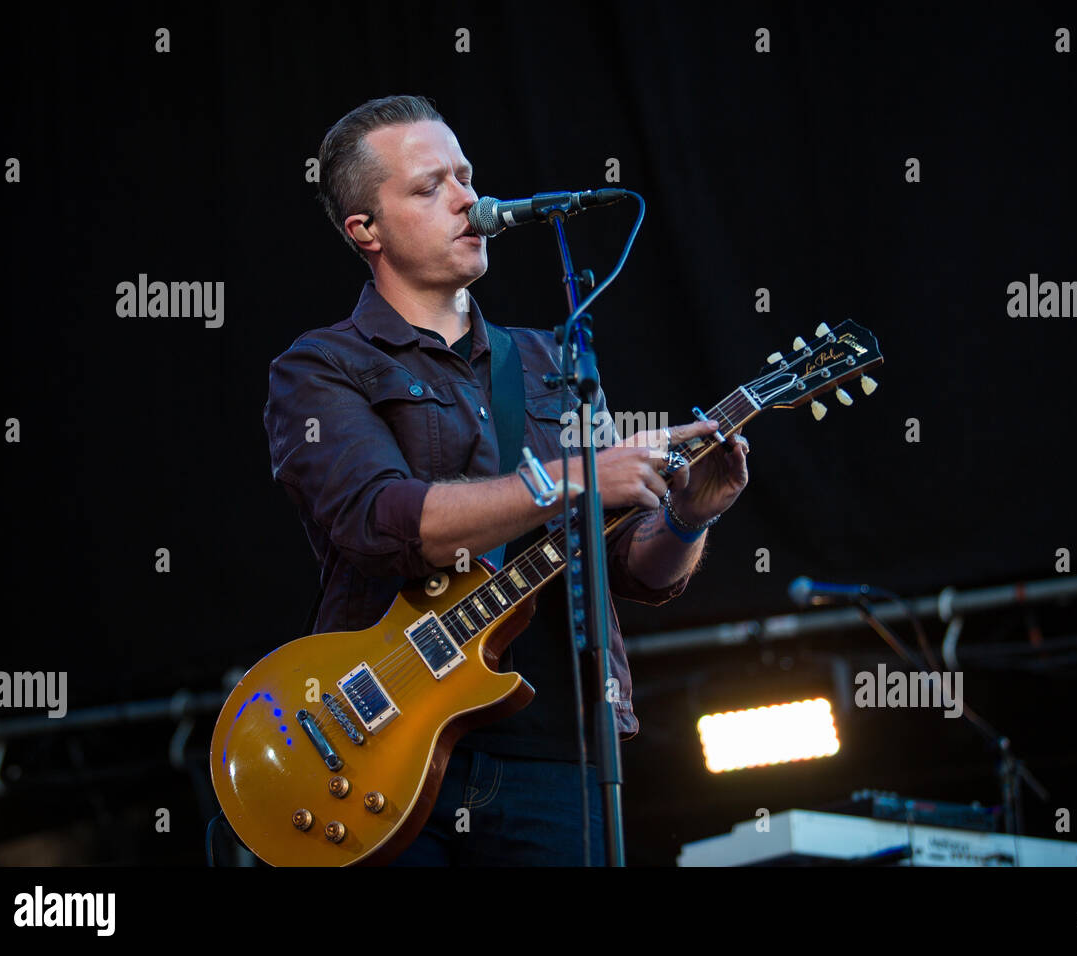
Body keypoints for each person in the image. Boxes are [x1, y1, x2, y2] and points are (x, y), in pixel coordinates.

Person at [263, 94, 750, 865]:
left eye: (466, 175)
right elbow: (381, 518)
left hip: (561, 753)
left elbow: (629, 568)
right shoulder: (322, 367)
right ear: (366, 229)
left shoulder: (554, 360)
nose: (469, 199)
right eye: (430, 187)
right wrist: (579, 477)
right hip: (387, 745)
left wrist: (689, 519)